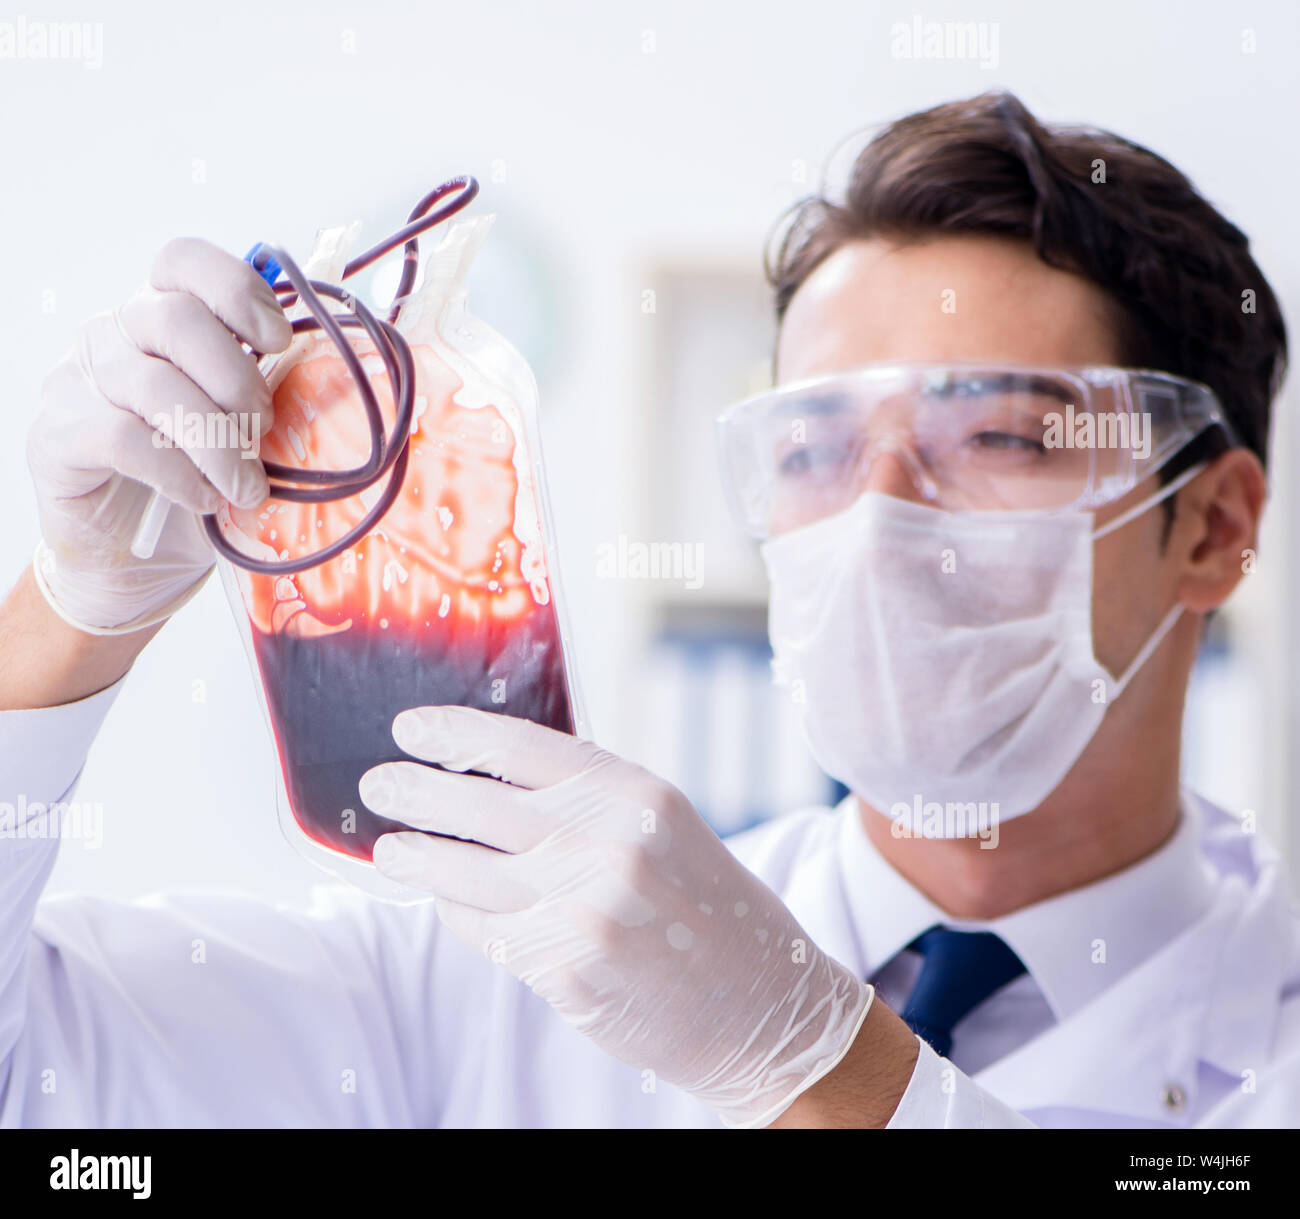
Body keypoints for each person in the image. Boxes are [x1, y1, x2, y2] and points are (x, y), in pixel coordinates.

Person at [1, 89, 1295, 1129]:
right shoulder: (489, 980)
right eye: (812, 451)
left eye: (1001, 437)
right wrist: (68, 616)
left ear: (1216, 527)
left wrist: (809, 1064)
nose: (877, 517)